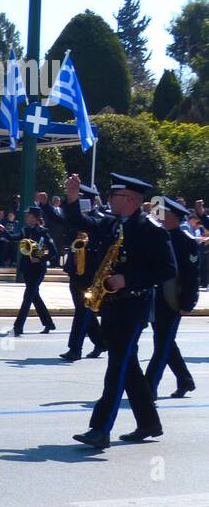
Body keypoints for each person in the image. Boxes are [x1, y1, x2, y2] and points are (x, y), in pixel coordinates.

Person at [63, 173, 176, 450]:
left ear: (132, 200)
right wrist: (73, 198)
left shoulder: (151, 229)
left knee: (117, 367)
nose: (110, 200)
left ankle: (100, 429)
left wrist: (129, 279)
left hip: (133, 305)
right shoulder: (112, 223)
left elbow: (167, 269)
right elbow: (80, 222)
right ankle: (149, 422)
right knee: (128, 365)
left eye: (116, 196)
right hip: (111, 303)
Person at [41, 183, 106, 361]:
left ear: (89, 201)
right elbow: (58, 218)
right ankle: (100, 342)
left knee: (83, 311)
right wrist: (46, 206)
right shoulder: (76, 217)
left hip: (91, 272)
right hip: (76, 269)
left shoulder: (100, 218)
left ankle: (75, 348)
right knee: (83, 309)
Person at [145, 196, 198, 399]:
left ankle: (149, 387)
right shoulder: (157, 237)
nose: (159, 216)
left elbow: (192, 277)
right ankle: (185, 380)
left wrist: (187, 303)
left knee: (162, 344)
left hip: (173, 299)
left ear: (173, 216)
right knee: (165, 342)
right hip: (154, 298)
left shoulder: (186, 241)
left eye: (163, 213)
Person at [12, 205, 57, 335]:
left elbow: (53, 251)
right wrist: (2, 232)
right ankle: (49, 323)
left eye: (29, 215)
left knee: (27, 297)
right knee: (34, 297)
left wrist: (41, 259)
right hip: (27, 269)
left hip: (38, 269)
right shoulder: (25, 230)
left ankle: (18, 326)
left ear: (35, 218)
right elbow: (14, 237)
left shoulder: (43, 232)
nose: (26, 217)